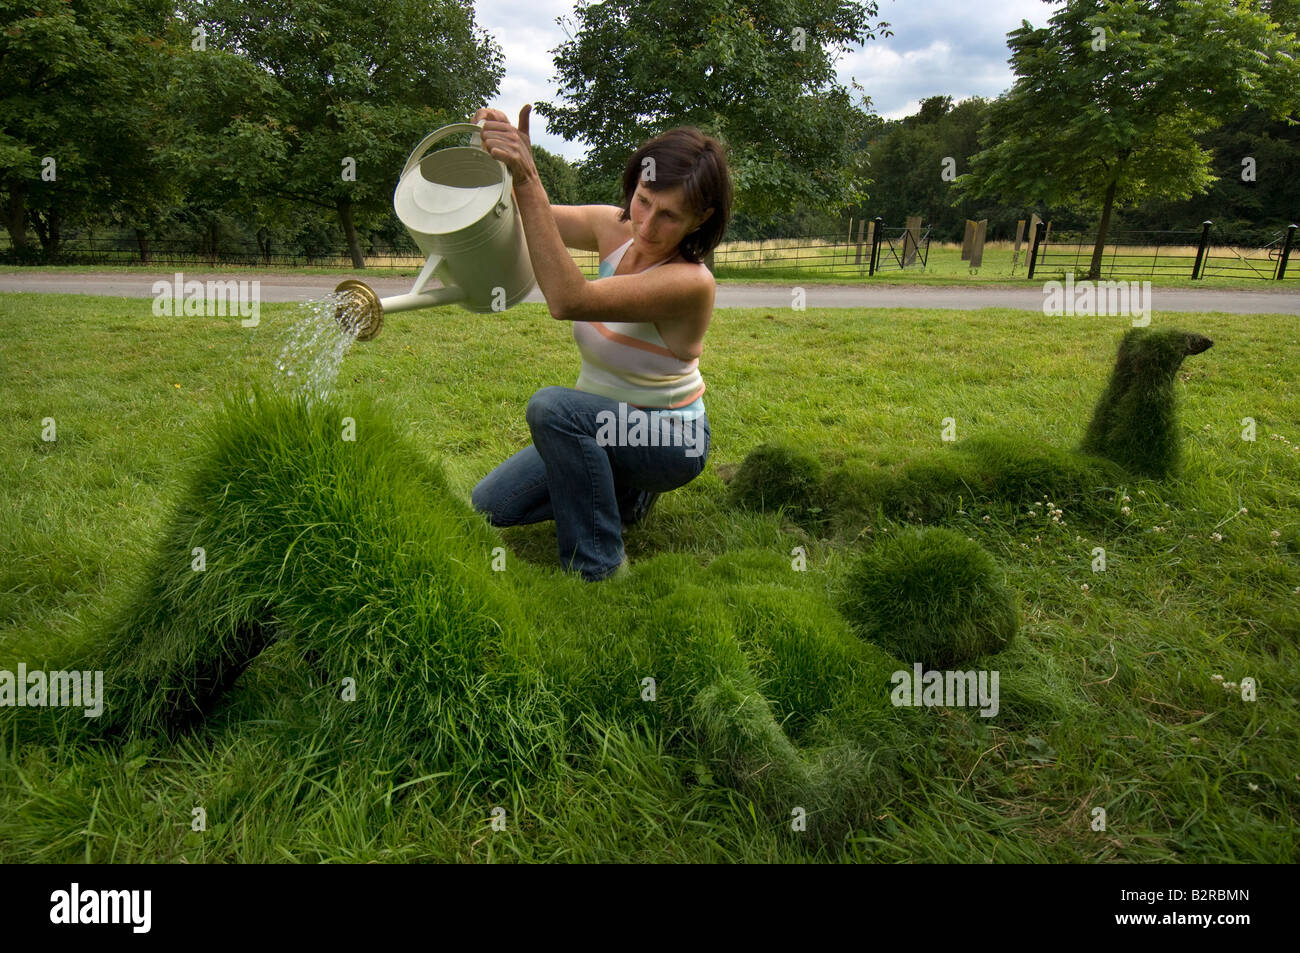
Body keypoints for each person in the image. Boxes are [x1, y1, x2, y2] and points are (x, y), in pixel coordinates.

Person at [469, 105, 733, 581]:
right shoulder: (614, 227)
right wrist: (506, 166)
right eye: (644, 200)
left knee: (552, 409)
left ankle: (599, 564)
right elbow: (528, 219)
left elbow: (570, 299)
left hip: (670, 439)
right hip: (605, 428)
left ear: (701, 218)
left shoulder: (691, 282)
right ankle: (624, 496)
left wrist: (530, 178)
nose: (647, 225)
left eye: (670, 216)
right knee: (489, 506)